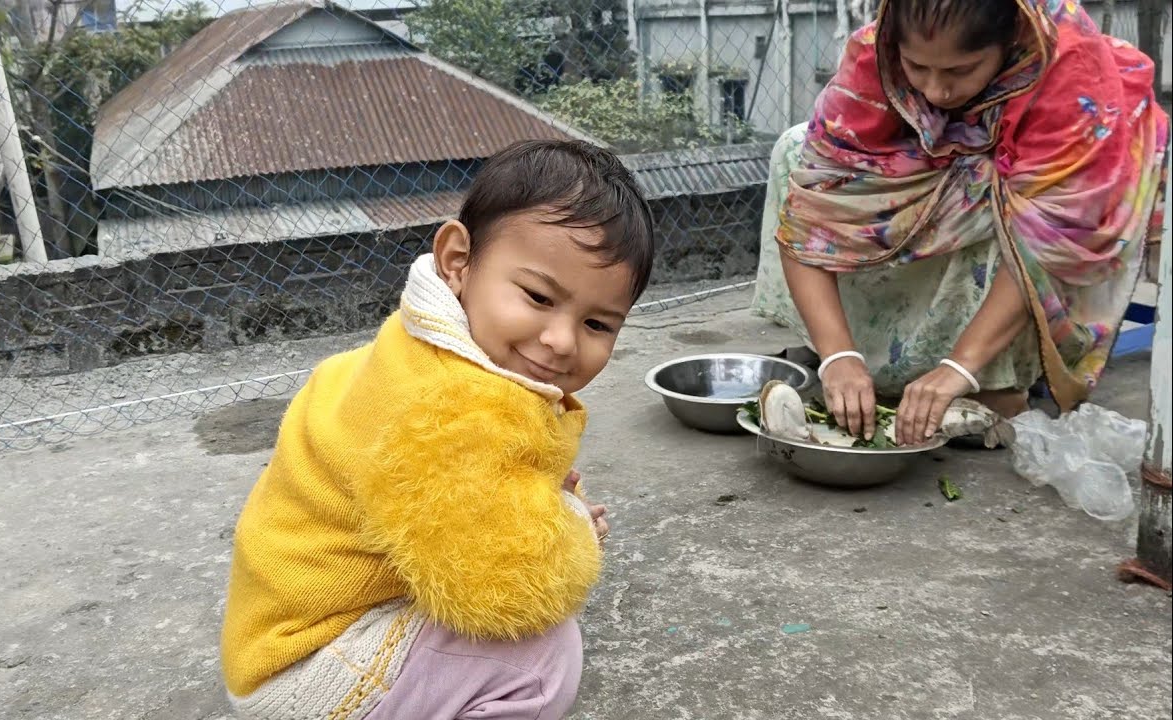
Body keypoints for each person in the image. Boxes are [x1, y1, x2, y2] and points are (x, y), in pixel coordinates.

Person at [220, 139, 655, 719]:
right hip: (307, 674)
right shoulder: (458, 404)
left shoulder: (413, 348)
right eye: (537, 296)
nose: (561, 341)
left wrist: (538, 499)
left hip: (274, 638)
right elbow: (507, 588)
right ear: (457, 260)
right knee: (542, 657)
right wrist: (575, 530)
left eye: (598, 324)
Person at [752, 0, 1168, 446]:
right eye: (917, 67)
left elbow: (1051, 240)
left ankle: (995, 378)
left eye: (960, 70)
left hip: (1065, 162)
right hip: (948, 156)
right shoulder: (876, 54)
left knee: (985, 185)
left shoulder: (1069, 68)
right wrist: (837, 355)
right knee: (794, 147)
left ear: (1009, 40)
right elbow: (810, 212)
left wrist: (960, 367)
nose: (937, 91)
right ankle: (858, 356)